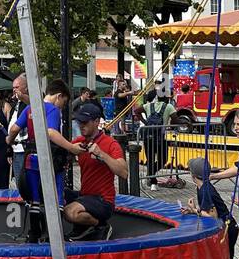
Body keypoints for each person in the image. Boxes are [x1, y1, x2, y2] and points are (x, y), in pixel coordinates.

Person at [10, 78, 79, 243]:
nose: (62, 105)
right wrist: (71, 147)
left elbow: (14, 129)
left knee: (35, 198)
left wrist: (9, 140)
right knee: (57, 196)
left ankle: (34, 233)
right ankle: (53, 236)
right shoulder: (53, 110)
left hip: (31, 159)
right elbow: (51, 132)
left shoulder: (30, 108)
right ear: (58, 96)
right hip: (51, 160)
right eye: (64, 102)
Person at [64, 102, 126, 240]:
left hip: (103, 201)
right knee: (55, 197)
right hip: (85, 195)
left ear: (97, 122)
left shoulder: (111, 144)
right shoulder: (79, 142)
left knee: (70, 212)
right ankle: (82, 227)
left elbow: (124, 172)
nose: (81, 126)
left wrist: (102, 155)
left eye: (85, 122)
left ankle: (100, 225)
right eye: (80, 122)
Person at [141, 86, 175, 184]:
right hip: (161, 138)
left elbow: (137, 111)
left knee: (150, 159)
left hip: (148, 137)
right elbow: (175, 119)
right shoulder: (168, 107)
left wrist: (145, 122)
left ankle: (152, 179)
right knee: (163, 159)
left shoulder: (149, 105)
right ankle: (152, 176)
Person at [7, 73, 31, 191]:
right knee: (18, 181)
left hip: (25, 148)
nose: (14, 90)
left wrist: (22, 97)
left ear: (25, 88)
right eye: (13, 88)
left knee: (25, 182)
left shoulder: (28, 101)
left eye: (17, 87)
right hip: (15, 149)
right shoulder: (16, 104)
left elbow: (32, 102)